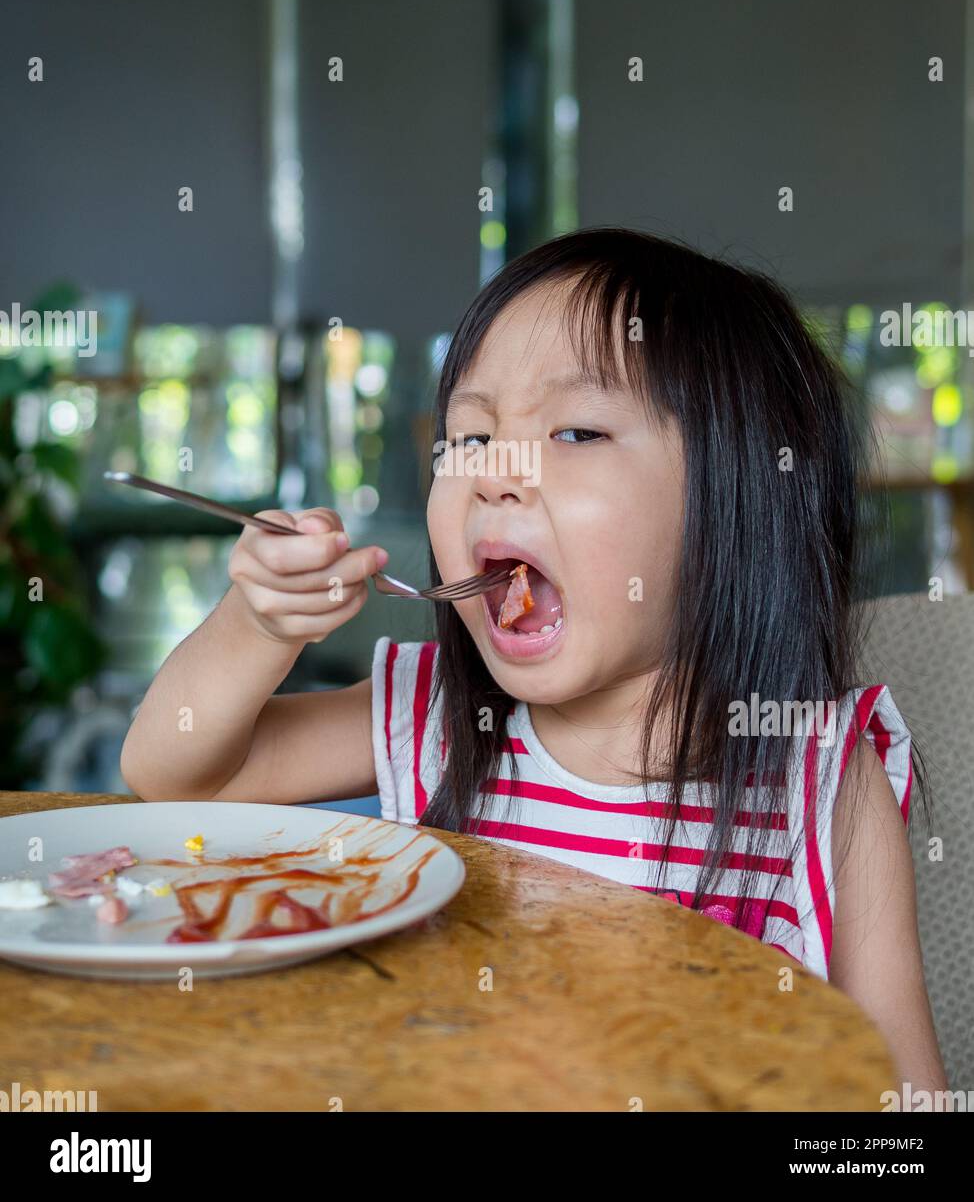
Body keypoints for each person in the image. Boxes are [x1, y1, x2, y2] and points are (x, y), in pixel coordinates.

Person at [121, 225, 948, 1094]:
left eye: (578, 431)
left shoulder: (820, 783)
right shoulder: (438, 717)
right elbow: (174, 775)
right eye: (468, 440)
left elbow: (905, 1105)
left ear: (739, 499)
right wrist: (260, 623)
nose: (496, 474)